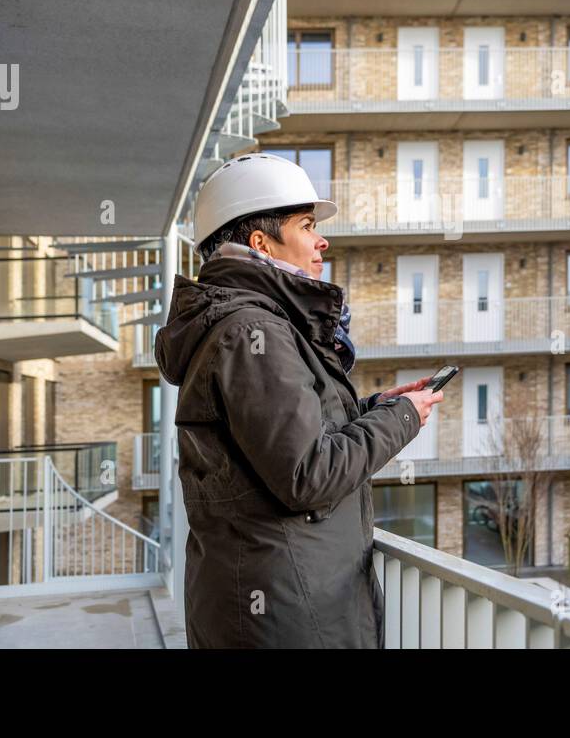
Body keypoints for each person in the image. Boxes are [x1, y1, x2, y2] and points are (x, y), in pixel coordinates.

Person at [154, 152, 442, 648]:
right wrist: (402, 419)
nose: (321, 239)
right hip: (286, 614)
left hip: (270, 602)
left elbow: (284, 438)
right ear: (260, 242)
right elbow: (308, 475)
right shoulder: (253, 332)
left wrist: (373, 408)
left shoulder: (248, 326)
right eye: (307, 225)